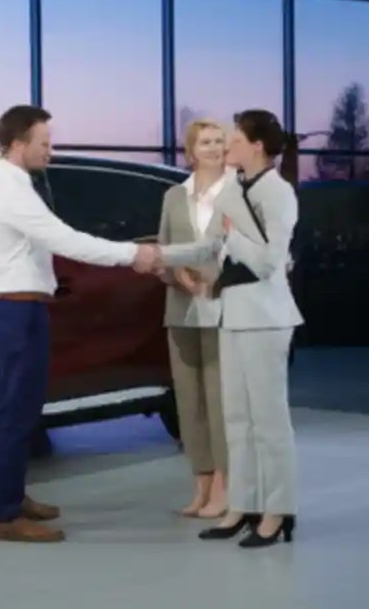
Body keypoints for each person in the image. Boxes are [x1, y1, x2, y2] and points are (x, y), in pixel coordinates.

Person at [0, 104, 159, 543]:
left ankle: (11, 497)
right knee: (12, 412)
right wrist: (134, 254)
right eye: (44, 143)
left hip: (23, 309)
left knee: (20, 410)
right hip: (14, 312)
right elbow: (65, 240)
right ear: (18, 145)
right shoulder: (8, 190)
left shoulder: (14, 184)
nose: (51, 151)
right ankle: (4, 515)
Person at [156, 109, 303, 548]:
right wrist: (159, 257)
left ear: (256, 145)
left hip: (267, 317)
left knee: (269, 421)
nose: (228, 146)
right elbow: (211, 246)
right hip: (232, 314)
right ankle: (241, 504)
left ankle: (277, 511)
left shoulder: (279, 193)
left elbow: (270, 261)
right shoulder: (236, 188)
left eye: (235, 139)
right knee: (236, 419)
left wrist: (232, 233)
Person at [156, 119, 230, 518]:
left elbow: (241, 252)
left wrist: (210, 275)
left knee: (220, 401)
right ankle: (200, 485)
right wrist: (175, 272)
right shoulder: (173, 196)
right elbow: (164, 250)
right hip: (181, 309)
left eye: (220, 140)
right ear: (191, 149)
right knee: (189, 401)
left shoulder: (238, 194)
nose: (214, 147)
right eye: (206, 141)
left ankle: (224, 485)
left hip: (223, 309)